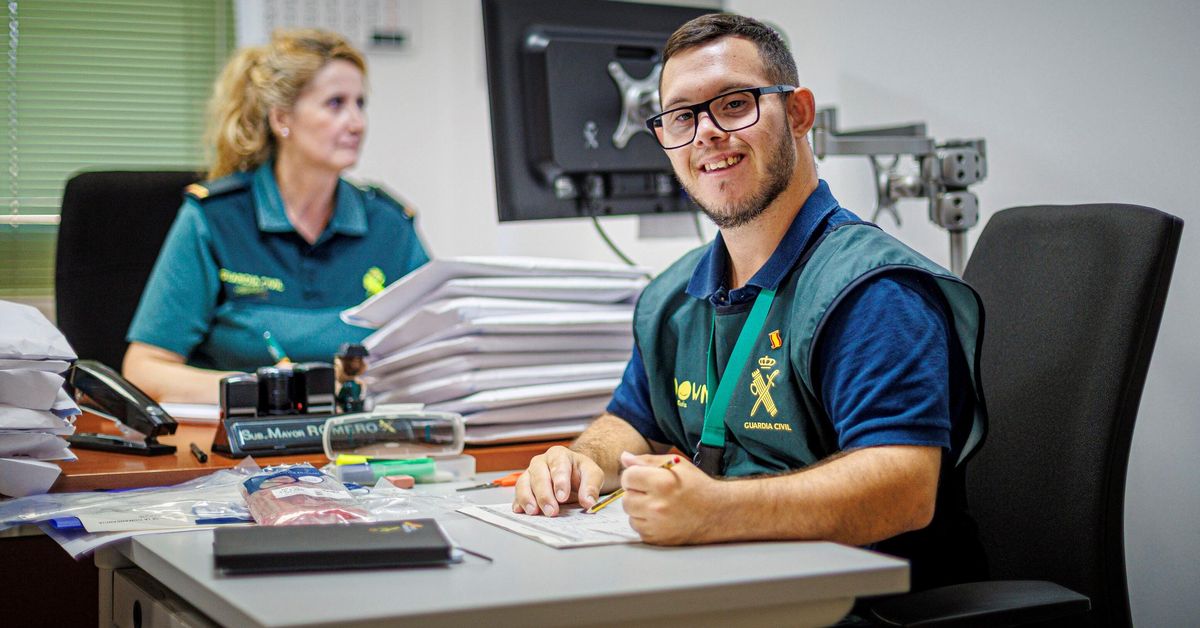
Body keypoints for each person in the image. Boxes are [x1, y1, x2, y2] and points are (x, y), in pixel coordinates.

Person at [513, 13, 988, 591]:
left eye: (734, 104)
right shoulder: (672, 296)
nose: (706, 133)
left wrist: (717, 510)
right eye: (682, 116)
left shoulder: (871, 291)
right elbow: (633, 421)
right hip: (731, 588)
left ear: (798, 113)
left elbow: (904, 490)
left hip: (859, 606)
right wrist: (583, 461)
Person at [123, 29, 429, 404]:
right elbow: (145, 367)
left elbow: (438, 349)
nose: (357, 123)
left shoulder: (389, 224)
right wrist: (267, 391)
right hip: (243, 446)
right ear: (282, 118)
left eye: (360, 103)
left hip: (366, 439)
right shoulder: (216, 218)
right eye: (335, 103)